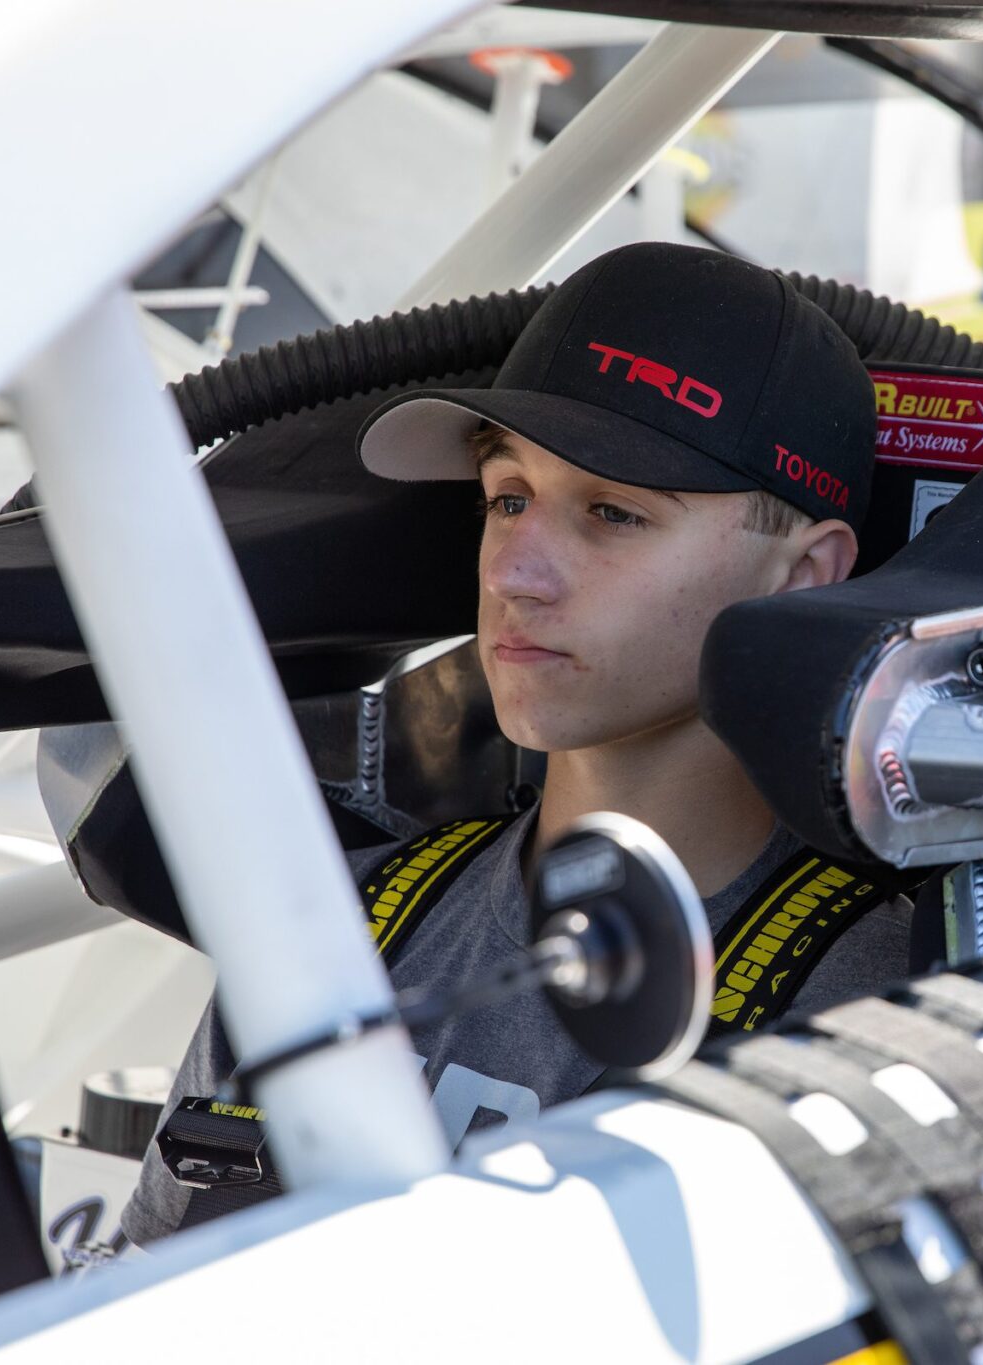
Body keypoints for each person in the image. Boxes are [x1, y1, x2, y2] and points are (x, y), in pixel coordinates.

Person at [118, 242, 915, 1244]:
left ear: (803, 577)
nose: (514, 574)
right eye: (507, 499)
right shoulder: (329, 935)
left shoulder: (878, 1011)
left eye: (614, 513)